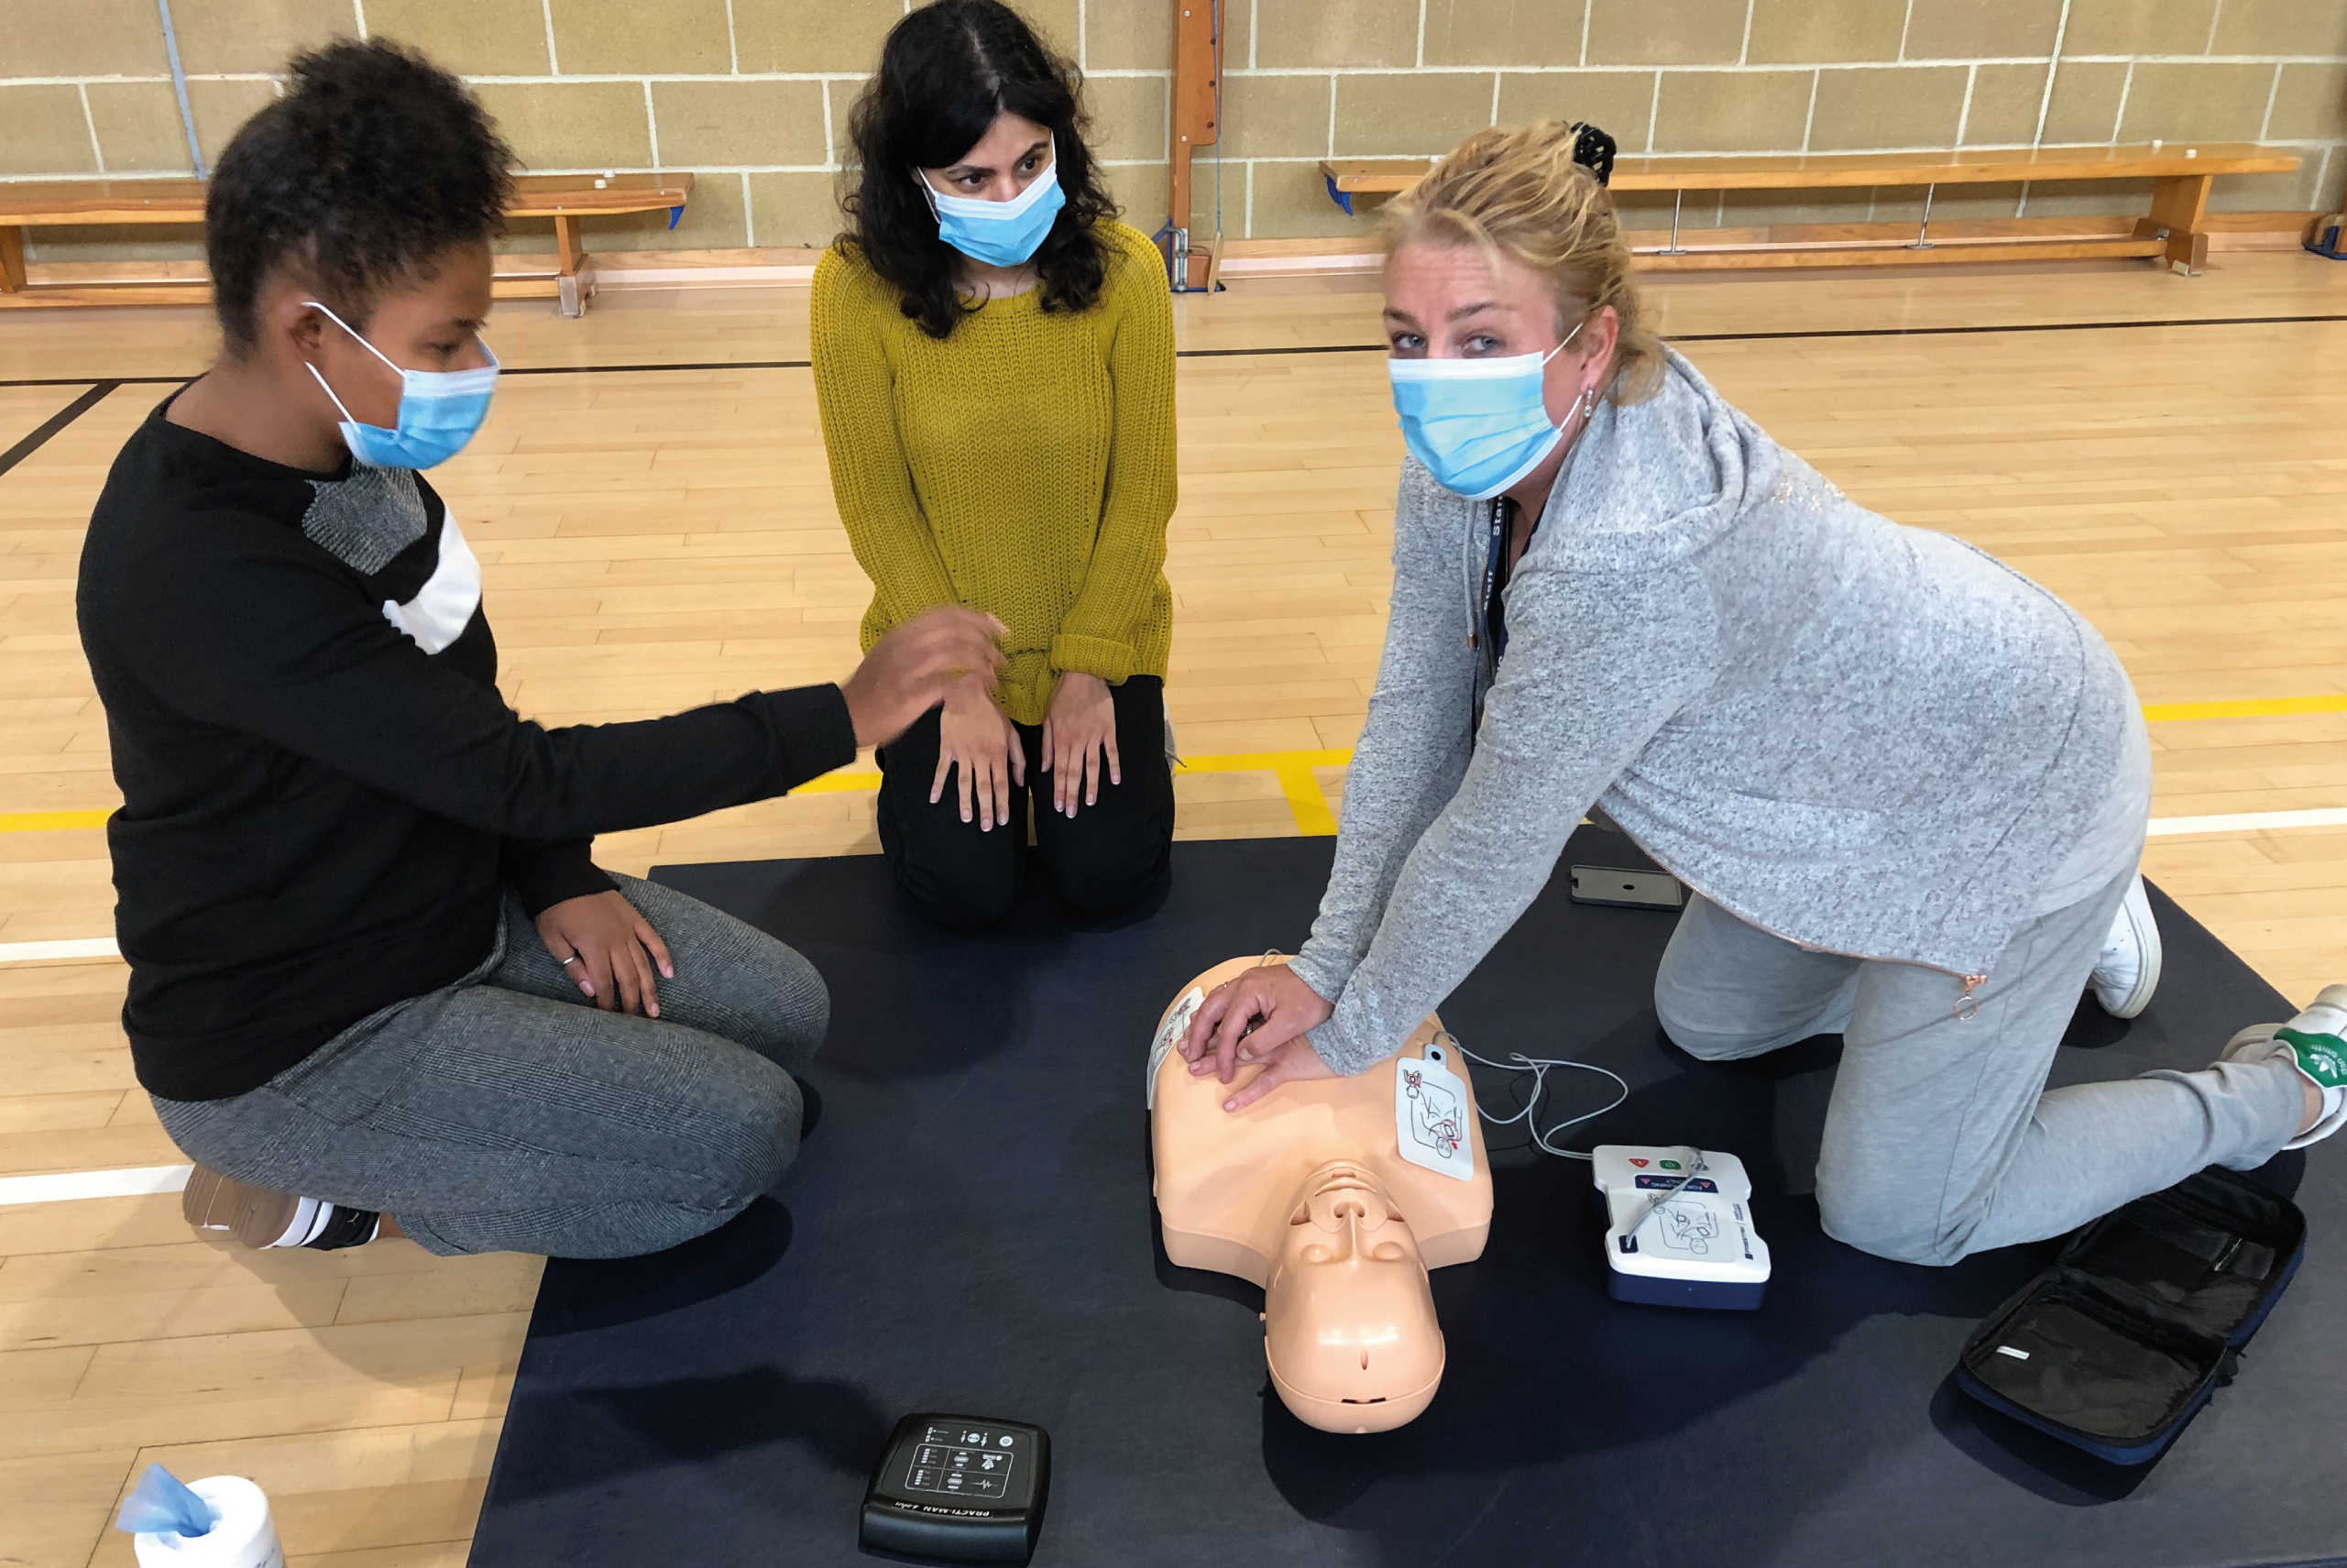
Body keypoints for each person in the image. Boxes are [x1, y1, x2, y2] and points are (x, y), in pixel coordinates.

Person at [1178, 122, 2342, 1268]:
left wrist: (1354, 1033)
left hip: (2019, 782)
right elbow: (1416, 716)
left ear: (1592, 345)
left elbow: (1489, 839)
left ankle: (2280, 1083)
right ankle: (2016, 949)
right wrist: (1326, 964)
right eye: (1406, 336)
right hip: (1868, 779)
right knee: (1710, 1025)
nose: (1433, 377)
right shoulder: (1469, 461)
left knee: (1899, 1218)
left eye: (1479, 340)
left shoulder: (1629, 561)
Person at [76, 40, 1004, 1259]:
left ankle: (475, 1091)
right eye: (449, 339)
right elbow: (521, 770)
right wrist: (841, 713)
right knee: (739, 1139)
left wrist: (555, 871)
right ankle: (333, 1197)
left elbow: (467, 706)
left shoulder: (352, 449)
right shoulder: (200, 568)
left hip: (453, 899)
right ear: (310, 327)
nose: (473, 370)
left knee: (787, 1012)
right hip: (307, 1028)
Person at [813, 0, 1178, 930]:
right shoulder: (852, 290)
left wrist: (1092, 670)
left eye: (1029, 163)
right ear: (910, 175)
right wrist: (958, 684)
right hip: (944, 651)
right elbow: (877, 507)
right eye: (968, 177)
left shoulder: (1129, 273)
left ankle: (1143, 731)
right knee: (961, 893)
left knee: (1110, 882)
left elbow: (1142, 494)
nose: (1007, 195)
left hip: (1092, 636)